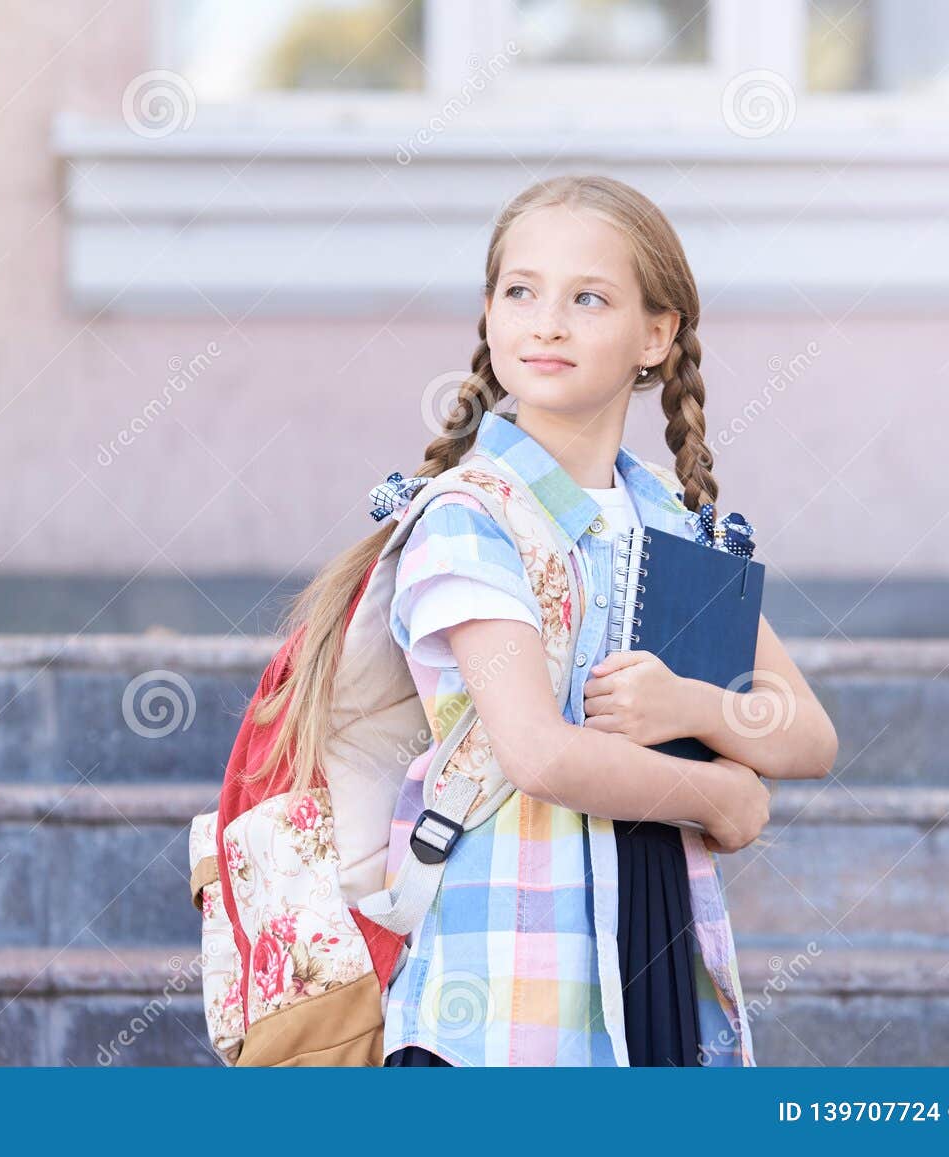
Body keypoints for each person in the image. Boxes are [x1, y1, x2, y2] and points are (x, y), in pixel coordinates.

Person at [256, 175, 838, 1067]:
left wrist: (695, 709)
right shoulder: (470, 517)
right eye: (520, 291)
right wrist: (724, 793)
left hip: (655, 973)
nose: (547, 321)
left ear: (657, 335)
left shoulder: (676, 529)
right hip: (499, 998)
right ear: (489, 314)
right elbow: (538, 752)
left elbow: (808, 736)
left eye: (589, 298)